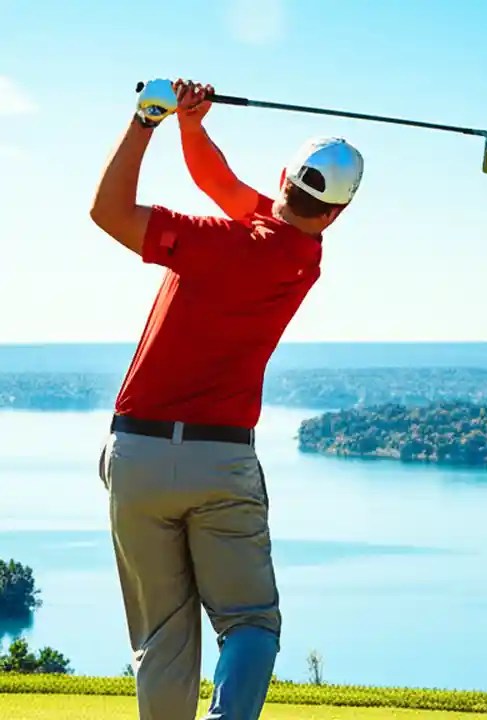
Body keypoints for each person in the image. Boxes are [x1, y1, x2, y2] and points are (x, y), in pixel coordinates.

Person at [88, 78, 364, 720]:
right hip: (222, 465)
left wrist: (144, 120)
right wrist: (191, 125)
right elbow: (224, 186)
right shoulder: (303, 254)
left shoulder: (213, 241)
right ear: (336, 214)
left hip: (138, 457)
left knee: (162, 639)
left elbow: (108, 211)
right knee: (249, 625)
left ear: (283, 177)